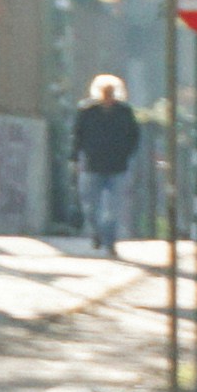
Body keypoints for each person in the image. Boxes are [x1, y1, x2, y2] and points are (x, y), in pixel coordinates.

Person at [70, 74, 143, 256]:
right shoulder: (87, 111)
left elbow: (134, 136)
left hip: (117, 167)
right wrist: (75, 158)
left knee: (112, 209)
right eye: (105, 92)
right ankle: (97, 234)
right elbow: (77, 136)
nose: (108, 95)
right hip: (92, 166)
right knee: (90, 207)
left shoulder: (124, 112)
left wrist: (126, 154)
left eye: (111, 92)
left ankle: (110, 242)